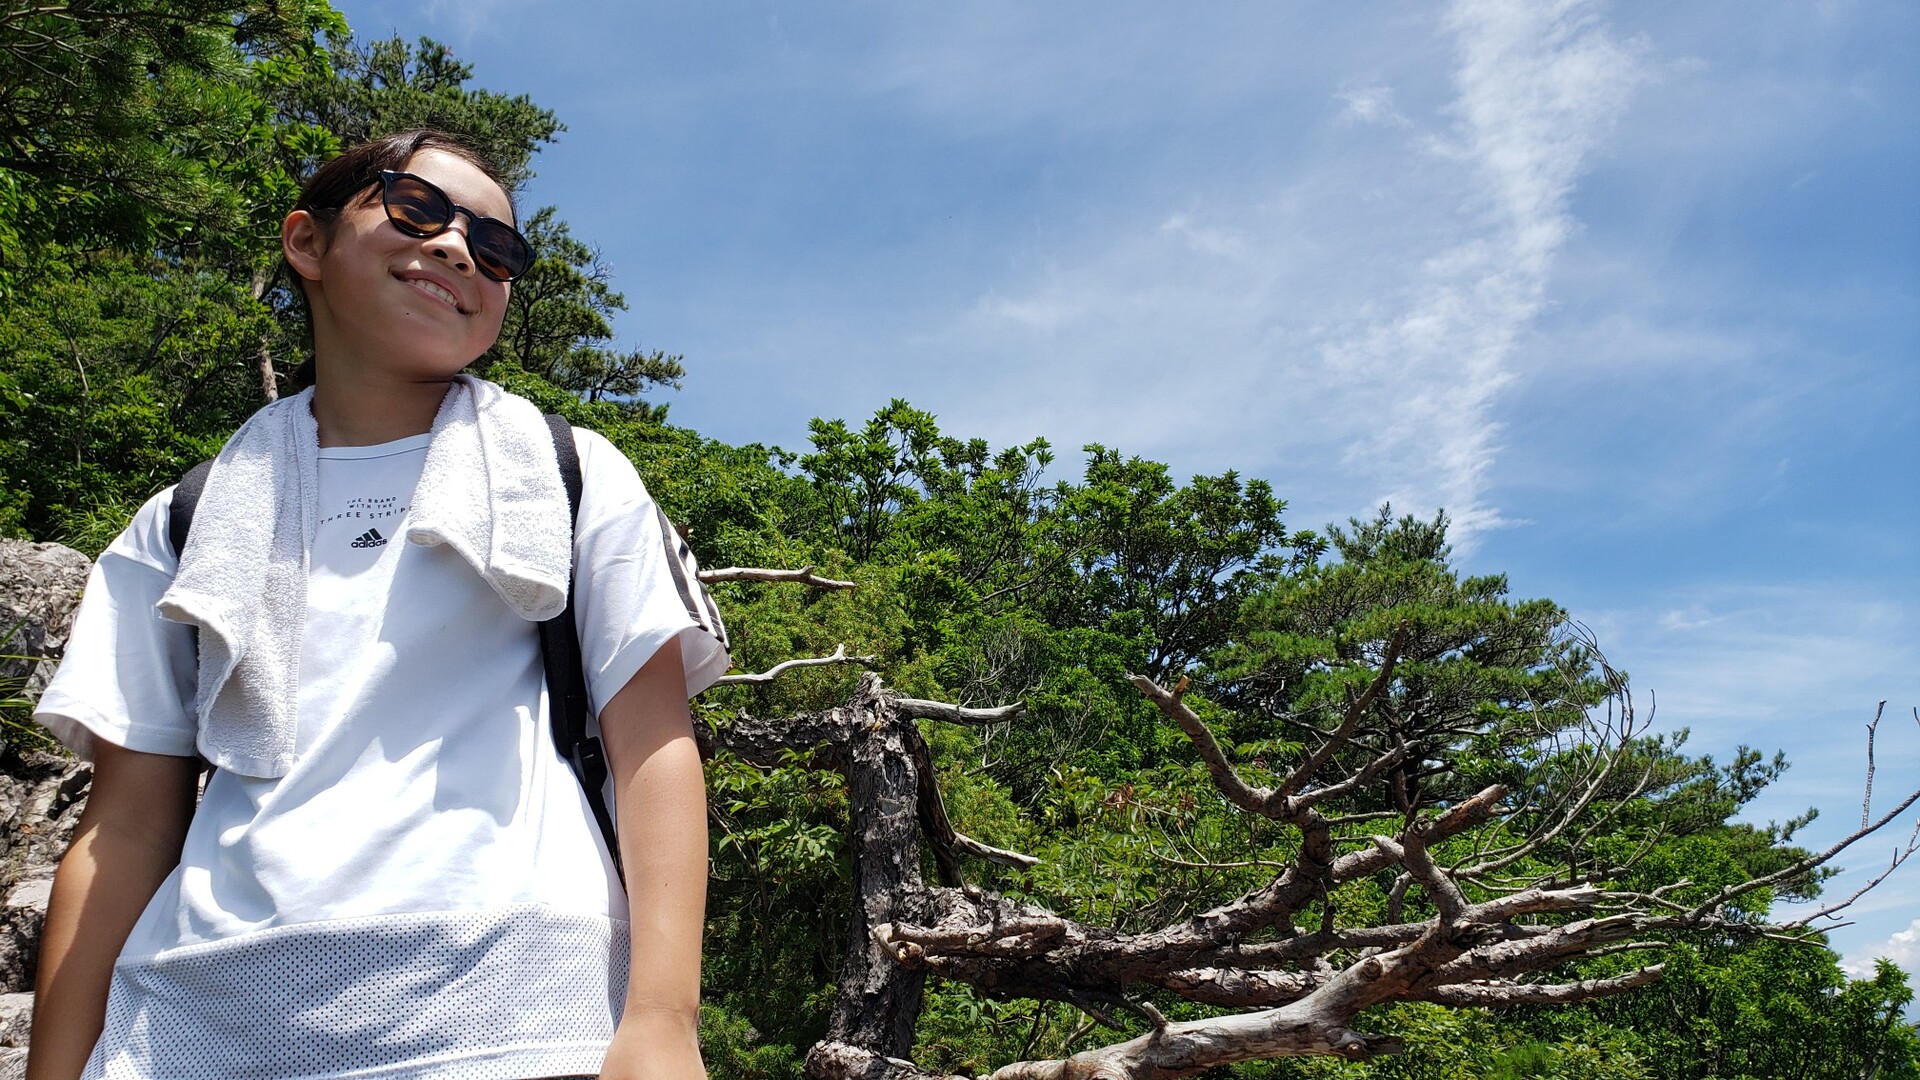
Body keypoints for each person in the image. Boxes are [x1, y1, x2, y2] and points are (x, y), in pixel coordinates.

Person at [27, 129, 728, 1080]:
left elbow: (654, 744)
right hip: (201, 1028)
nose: (454, 249)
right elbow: (125, 827)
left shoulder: (569, 479)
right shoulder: (185, 524)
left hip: (513, 1023)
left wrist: (661, 1019)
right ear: (307, 243)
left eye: (496, 248)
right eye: (417, 208)